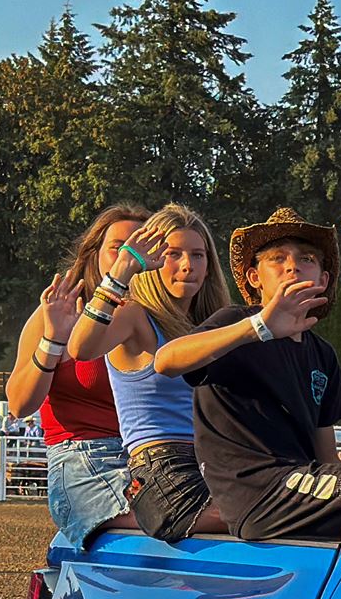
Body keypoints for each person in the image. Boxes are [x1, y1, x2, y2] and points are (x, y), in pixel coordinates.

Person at [153, 207, 341, 542]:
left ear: (323, 279)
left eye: (307, 258)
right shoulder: (235, 323)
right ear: (255, 277)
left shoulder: (323, 354)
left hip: (305, 488)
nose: (293, 265)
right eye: (277, 258)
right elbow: (166, 360)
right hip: (256, 497)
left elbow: (327, 456)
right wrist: (259, 327)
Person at [66, 201, 231, 542]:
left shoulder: (211, 326)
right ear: (153, 259)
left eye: (198, 255)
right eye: (174, 254)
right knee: (253, 518)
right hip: (162, 469)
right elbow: (80, 348)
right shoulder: (135, 316)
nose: (188, 265)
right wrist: (123, 269)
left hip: (216, 464)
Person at [6, 204, 148, 546]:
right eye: (118, 247)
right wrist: (54, 338)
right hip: (83, 459)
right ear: (94, 253)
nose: (130, 255)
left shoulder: (159, 316)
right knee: (169, 523)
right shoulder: (59, 311)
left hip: (150, 457)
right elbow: (20, 404)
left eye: (141, 246)